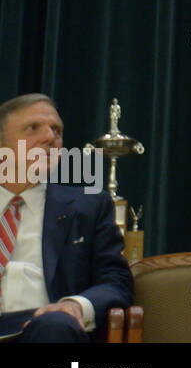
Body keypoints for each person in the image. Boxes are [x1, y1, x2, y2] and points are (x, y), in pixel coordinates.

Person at [0, 94, 132, 342]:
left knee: (56, 325)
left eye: (56, 130)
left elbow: (116, 282)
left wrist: (75, 306)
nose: (50, 138)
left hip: (43, 329)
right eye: (33, 128)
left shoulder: (89, 206)